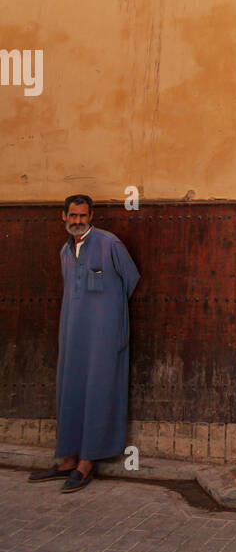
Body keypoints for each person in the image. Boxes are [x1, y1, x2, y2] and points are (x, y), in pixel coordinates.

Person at [29, 195, 140, 493]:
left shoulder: (110, 244)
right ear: (63, 216)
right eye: (72, 216)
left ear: (91, 215)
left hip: (103, 336)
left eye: (82, 216)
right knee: (71, 390)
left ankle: (86, 463)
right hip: (73, 334)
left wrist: (107, 314)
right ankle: (68, 459)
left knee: (98, 391)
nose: (77, 221)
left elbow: (131, 279)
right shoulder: (65, 251)